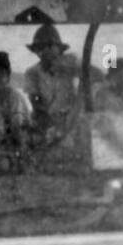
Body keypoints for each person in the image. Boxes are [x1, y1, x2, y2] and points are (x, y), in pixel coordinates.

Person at [23, 21, 84, 153]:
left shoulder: (72, 61)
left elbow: (95, 75)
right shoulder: (32, 73)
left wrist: (68, 69)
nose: (44, 51)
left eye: (50, 46)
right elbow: (37, 104)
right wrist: (53, 129)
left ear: (58, 48)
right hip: (46, 123)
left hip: (73, 120)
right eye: (39, 47)